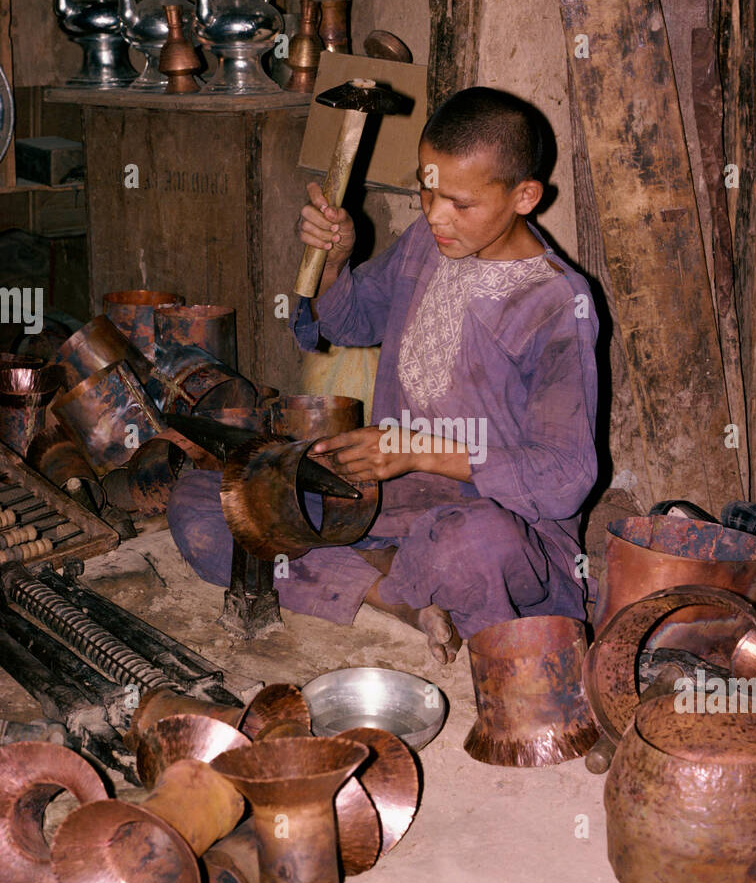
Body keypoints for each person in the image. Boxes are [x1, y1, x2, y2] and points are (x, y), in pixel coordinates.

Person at [168, 87, 599, 664]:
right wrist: (336, 259)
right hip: (383, 497)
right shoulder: (428, 240)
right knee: (209, 500)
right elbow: (347, 321)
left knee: (473, 549)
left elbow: (566, 476)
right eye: (427, 189)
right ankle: (392, 596)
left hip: (495, 520)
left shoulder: (556, 303)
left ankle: (386, 579)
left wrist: (416, 450)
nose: (434, 214)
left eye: (460, 203)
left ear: (525, 196)